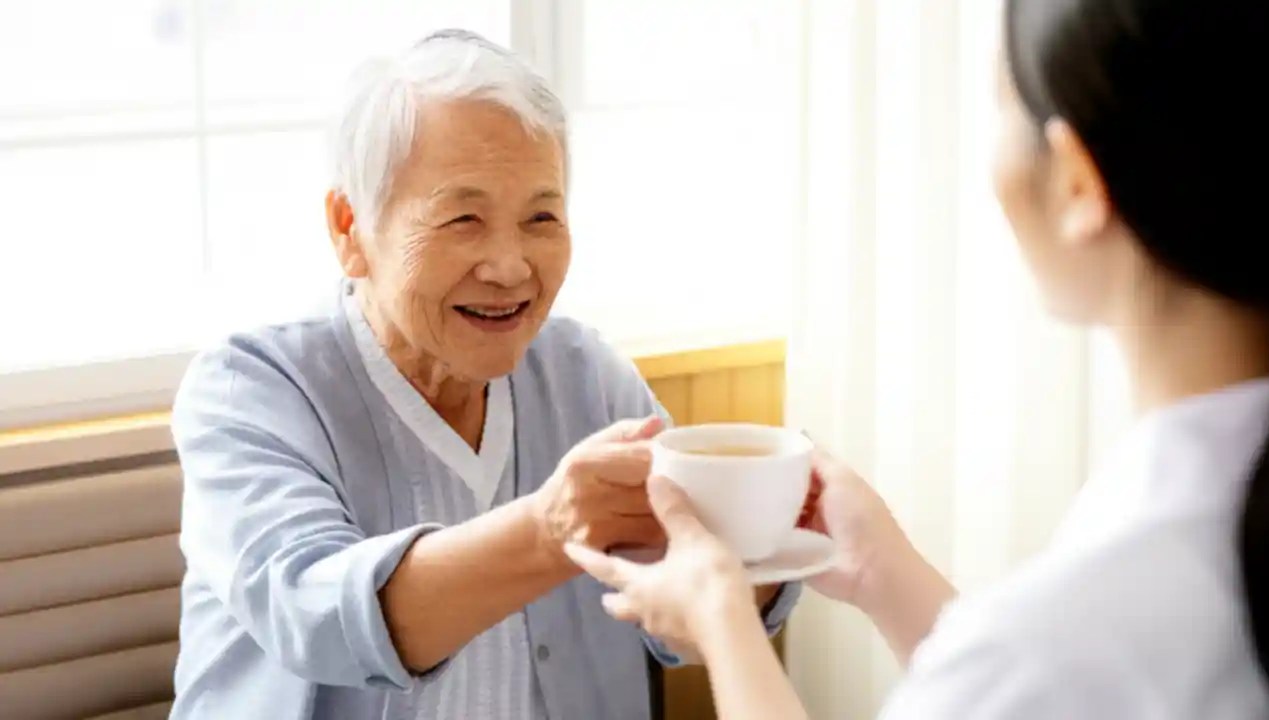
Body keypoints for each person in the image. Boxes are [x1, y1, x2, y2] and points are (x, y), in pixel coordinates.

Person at [567, 0, 1269, 717]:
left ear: (1075, 183)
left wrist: (721, 623)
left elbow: (1035, 673)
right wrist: (886, 572)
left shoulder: (1092, 611)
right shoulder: (1177, 555)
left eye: (1001, 111)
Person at [168, 30, 798, 720]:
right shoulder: (249, 392)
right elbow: (315, 615)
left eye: (541, 217)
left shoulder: (588, 377)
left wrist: (756, 547)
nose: (509, 265)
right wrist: (551, 530)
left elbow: (684, 618)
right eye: (464, 219)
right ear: (350, 228)